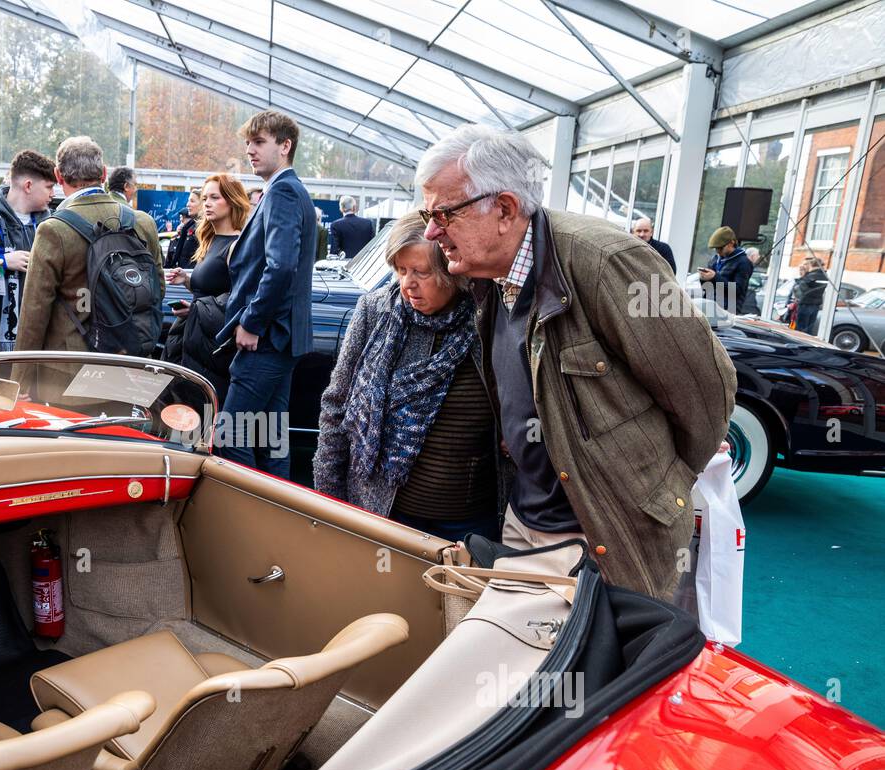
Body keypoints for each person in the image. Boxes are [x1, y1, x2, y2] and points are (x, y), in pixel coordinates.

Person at [417, 125, 736, 599]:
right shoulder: (487, 277)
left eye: (444, 214)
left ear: (504, 209)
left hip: (605, 534)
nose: (430, 231)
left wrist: (655, 491)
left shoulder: (606, 261)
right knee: (533, 660)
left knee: (599, 669)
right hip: (524, 520)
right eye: (428, 215)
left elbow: (704, 387)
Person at [315, 212, 498, 540]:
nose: (407, 284)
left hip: (468, 525)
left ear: (451, 270)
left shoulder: (489, 320)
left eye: (420, 272)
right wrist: (329, 500)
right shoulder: (375, 311)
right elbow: (336, 406)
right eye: (400, 270)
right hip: (385, 515)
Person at [219, 110, 317, 479]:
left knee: (232, 438)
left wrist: (251, 322)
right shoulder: (285, 190)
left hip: (268, 338)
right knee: (271, 438)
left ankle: (247, 520)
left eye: (259, 142)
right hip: (282, 339)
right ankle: (277, 517)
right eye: (248, 143)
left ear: (285, 145)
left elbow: (281, 267)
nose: (250, 150)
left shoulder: (284, 191)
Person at [17, 136, 164, 354]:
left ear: (58, 176)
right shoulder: (142, 222)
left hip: (70, 366)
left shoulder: (54, 230)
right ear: (104, 173)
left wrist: (22, 378)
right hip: (131, 358)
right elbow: (157, 289)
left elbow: (35, 312)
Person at [163, 173, 250, 403]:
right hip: (194, 340)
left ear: (232, 201)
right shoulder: (210, 240)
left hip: (213, 350)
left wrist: (195, 310)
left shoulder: (237, 246)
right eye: (204, 198)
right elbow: (212, 290)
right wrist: (188, 281)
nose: (207, 203)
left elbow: (238, 300)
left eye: (215, 197)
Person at [0, 149, 55, 346]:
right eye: (49, 187)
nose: (53, 194)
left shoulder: (52, 225)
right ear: (28, 185)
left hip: (41, 339)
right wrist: (4, 262)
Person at [699, 226, 753, 314]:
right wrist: (703, 278)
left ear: (731, 243)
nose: (718, 251)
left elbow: (737, 290)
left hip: (728, 311)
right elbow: (706, 288)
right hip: (710, 307)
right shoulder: (715, 259)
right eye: (716, 248)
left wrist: (714, 277)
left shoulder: (744, 262)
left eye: (720, 248)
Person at [789, 256, 829, 334]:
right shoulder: (825, 276)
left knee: (800, 329)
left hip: (805, 304)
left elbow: (800, 290)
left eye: (806, 264)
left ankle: (797, 345)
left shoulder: (810, 276)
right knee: (809, 329)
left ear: (811, 265)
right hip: (816, 305)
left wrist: (801, 277)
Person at [165, 189, 200, 269]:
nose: (188, 204)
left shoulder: (204, 228)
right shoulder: (189, 227)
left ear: (202, 203)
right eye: (188, 201)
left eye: (192, 201)